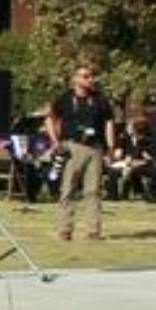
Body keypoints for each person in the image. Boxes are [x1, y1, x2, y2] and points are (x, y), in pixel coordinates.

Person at [50, 64, 117, 242]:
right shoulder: (65, 98)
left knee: (93, 190)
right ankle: (65, 229)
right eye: (86, 76)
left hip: (95, 148)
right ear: (76, 79)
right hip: (72, 147)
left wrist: (110, 148)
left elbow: (109, 123)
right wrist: (55, 142)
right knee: (68, 188)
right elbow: (51, 118)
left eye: (92, 76)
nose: (90, 79)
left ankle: (93, 231)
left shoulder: (100, 99)